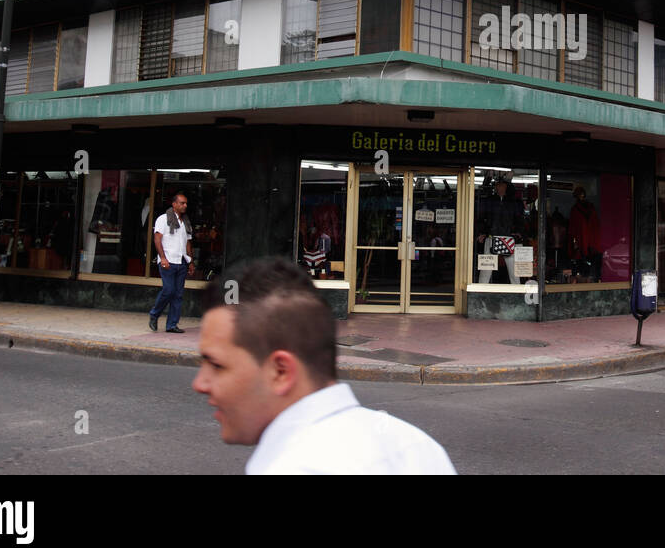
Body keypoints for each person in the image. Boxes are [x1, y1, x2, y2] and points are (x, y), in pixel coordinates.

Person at [194, 257, 455, 474]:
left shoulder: (290, 468)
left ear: (281, 371)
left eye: (217, 365)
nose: (199, 384)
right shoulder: (418, 447)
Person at [149, 193, 193, 333]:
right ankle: (154, 314)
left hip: (182, 262)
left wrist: (190, 262)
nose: (184, 205)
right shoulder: (163, 219)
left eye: (186, 203)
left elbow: (187, 243)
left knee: (178, 294)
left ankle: (172, 325)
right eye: (182, 203)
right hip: (168, 261)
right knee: (168, 290)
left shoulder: (185, 222)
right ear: (174, 204)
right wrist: (162, 258)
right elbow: (157, 239)